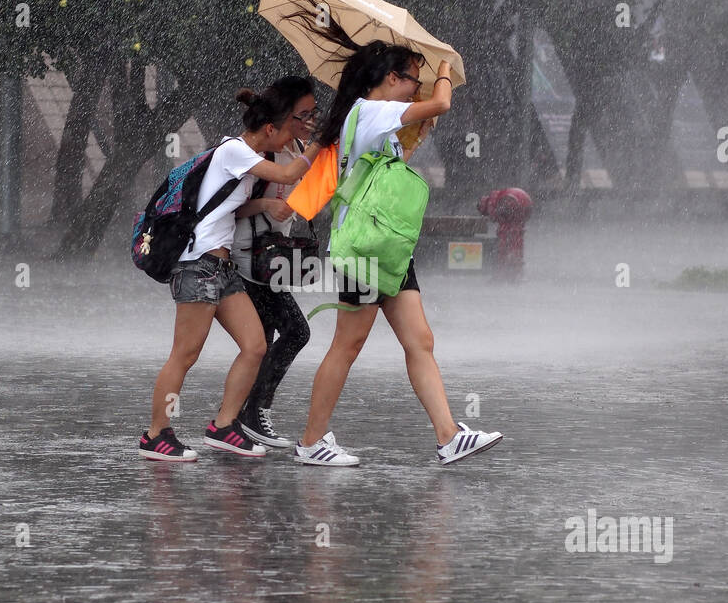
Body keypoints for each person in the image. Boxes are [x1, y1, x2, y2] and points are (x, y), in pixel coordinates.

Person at [292, 39, 503, 467]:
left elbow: (384, 176)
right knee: (346, 346)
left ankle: (449, 436)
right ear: (391, 78)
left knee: (420, 340)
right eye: (413, 79)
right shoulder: (372, 110)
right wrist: (445, 71)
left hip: (388, 248)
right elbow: (441, 104)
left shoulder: (373, 119)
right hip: (366, 248)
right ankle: (312, 442)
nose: (416, 88)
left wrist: (415, 141)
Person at [139, 78, 323, 462]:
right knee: (184, 355)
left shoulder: (248, 161)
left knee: (255, 346)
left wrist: (274, 196)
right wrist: (325, 140)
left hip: (220, 268)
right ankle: (157, 433)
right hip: (197, 264)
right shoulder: (236, 151)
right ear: (270, 128)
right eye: (291, 125)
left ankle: (223, 426)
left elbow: (237, 205)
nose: (293, 135)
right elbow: (289, 177)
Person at [229, 109, 317, 449]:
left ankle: (237, 420)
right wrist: (266, 203)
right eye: (304, 114)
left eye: (314, 114)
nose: (311, 121)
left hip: (273, 257)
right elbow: (230, 206)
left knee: (262, 342)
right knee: (296, 331)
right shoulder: (262, 154)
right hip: (250, 256)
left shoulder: (296, 150)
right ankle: (253, 411)